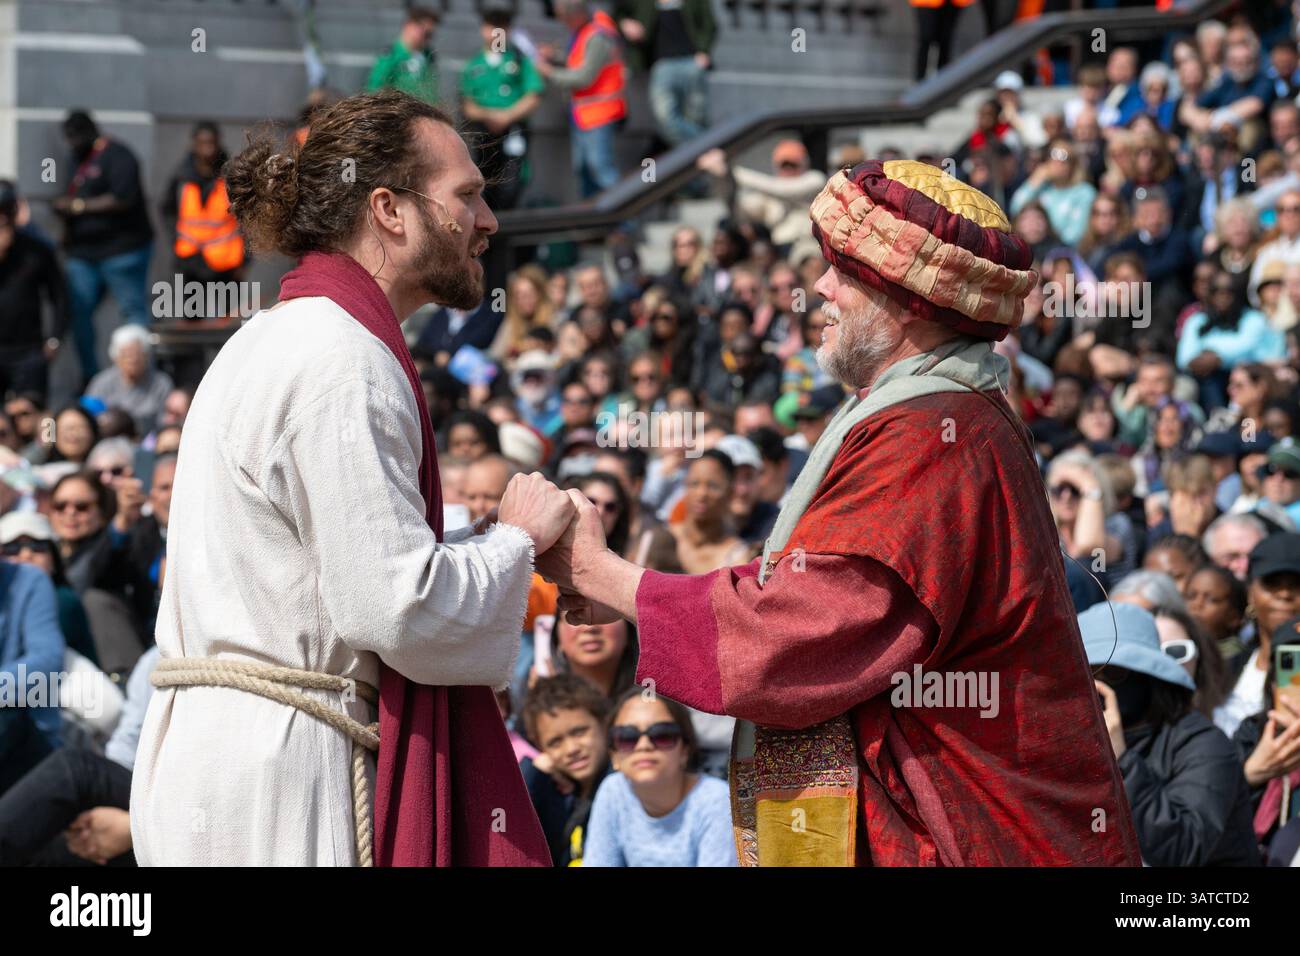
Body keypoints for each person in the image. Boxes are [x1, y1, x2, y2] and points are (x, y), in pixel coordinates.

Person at [542, 161, 1141, 866]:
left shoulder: (930, 434)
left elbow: (804, 625)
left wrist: (599, 572)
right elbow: (817, 583)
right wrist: (631, 597)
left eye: (845, 271)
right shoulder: (934, 414)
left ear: (909, 302)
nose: (820, 289)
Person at [129, 89, 577, 867]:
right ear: (390, 210)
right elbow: (395, 608)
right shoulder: (344, 360)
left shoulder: (272, 336)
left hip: (225, 760)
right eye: (466, 196)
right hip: (280, 777)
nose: (488, 221)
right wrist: (517, 539)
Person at [1082, 602, 1260, 866]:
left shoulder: (1203, 744)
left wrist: (1121, 761)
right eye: (1086, 673)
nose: (1098, 686)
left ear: (1148, 676)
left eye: (1114, 672)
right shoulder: (1071, 745)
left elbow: (1181, 850)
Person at [581, 687, 736, 867]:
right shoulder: (613, 791)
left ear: (685, 750)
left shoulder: (716, 800)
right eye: (627, 737)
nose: (644, 746)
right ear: (614, 756)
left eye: (662, 735)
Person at [53, 110, 154, 382]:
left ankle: (141, 379)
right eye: (69, 139)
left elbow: (123, 198)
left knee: (132, 313)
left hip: (123, 251)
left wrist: (78, 207)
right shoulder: (74, 158)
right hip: (83, 253)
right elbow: (66, 193)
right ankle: (92, 379)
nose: (72, 144)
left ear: (91, 132)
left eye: (76, 138)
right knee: (79, 311)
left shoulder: (119, 155)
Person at [536, 0, 628, 199]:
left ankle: (626, 224)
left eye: (565, 19)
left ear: (576, 15)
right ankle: (592, 224)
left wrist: (550, 72)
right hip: (584, 114)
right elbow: (577, 61)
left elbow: (584, 77)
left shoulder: (598, 35)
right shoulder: (585, 31)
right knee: (585, 171)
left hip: (600, 113)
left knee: (601, 169)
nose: (563, 24)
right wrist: (556, 56)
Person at [519, 673, 613, 866]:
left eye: (579, 732)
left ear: (604, 725)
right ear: (541, 749)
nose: (571, 749)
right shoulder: (559, 799)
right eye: (555, 742)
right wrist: (534, 771)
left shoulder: (623, 787)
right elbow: (515, 822)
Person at [460, 3, 545, 212]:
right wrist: (490, 116)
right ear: (483, 29)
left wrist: (506, 116)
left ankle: (505, 238)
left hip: (513, 131)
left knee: (511, 187)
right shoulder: (474, 65)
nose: (497, 33)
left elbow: (533, 94)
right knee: (483, 186)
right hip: (484, 135)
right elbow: (467, 104)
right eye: (492, 26)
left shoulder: (518, 60)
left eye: (502, 27)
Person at [158, 121, 246, 294]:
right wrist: (176, 239)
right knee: (190, 317)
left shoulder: (231, 177)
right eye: (203, 143)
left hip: (225, 262)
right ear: (194, 144)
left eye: (211, 143)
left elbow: (248, 218)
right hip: (189, 260)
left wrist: (246, 260)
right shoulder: (181, 176)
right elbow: (167, 209)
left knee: (229, 319)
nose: (208, 149)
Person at [614, 0, 716, 147]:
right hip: (661, 64)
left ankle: (698, 154)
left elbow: (709, 24)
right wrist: (625, 24)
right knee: (665, 119)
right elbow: (618, 13)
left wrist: (704, 51)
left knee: (697, 117)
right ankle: (708, 145)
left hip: (692, 62)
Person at [0, 186, 65, 404]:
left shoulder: (36, 249)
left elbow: (59, 297)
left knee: (28, 414)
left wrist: (55, 338)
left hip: (28, 351)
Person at [84, 325, 176, 437]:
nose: (133, 359)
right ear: (116, 357)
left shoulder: (161, 383)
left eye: (138, 354)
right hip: (108, 440)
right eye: (127, 354)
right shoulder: (102, 382)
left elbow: (167, 420)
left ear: (147, 356)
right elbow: (88, 415)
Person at [366, 7, 441, 104]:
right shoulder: (391, 54)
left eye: (430, 34)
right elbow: (375, 89)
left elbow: (432, 91)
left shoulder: (428, 56)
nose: (427, 38)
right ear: (409, 25)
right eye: (424, 32)